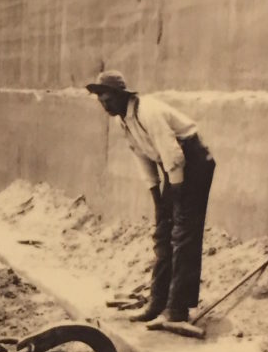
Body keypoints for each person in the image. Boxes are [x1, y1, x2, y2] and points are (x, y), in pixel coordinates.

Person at [86, 70, 216, 327]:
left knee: (183, 233)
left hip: (193, 161)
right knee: (162, 231)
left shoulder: (149, 112)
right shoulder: (122, 119)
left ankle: (177, 309)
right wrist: (158, 199)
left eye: (108, 98)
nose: (104, 104)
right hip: (173, 167)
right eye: (100, 99)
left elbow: (174, 155)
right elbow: (142, 156)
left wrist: (176, 198)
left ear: (122, 95)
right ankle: (157, 301)